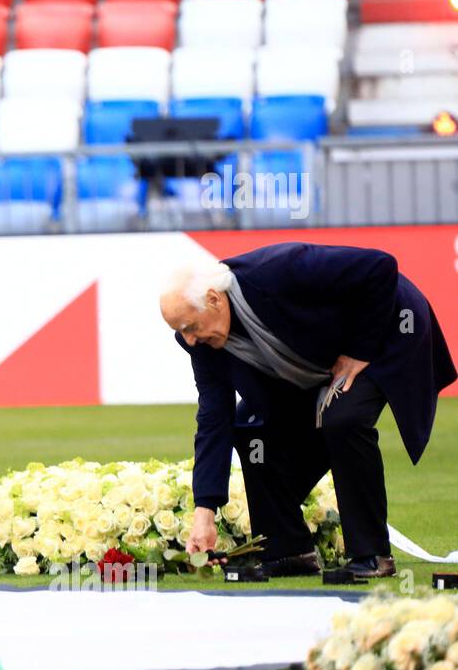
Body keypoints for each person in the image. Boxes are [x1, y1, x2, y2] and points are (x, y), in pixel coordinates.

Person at [160, 243, 456, 578]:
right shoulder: (201, 343)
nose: (189, 339)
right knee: (252, 429)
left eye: (190, 326)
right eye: (180, 331)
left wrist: (360, 351)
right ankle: (287, 550)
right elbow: (214, 419)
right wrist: (205, 511)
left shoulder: (275, 272)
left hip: (385, 327)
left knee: (342, 417)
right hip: (321, 358)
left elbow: (381, 266)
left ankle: (372, 555)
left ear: (214, 299)